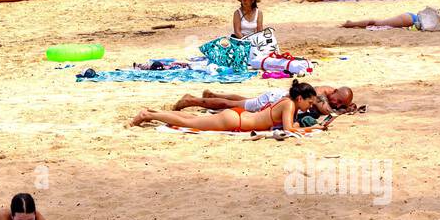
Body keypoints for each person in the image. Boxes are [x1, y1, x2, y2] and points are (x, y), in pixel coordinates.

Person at [126, 81, 321, 136]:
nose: (309, 107)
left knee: (193, 118)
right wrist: (314, 128)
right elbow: (289, 129)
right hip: (235, 121)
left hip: (238, 118)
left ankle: (152, 113)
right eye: (309, 102)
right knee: (189, 121)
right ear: (300, 98)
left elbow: (290, 124)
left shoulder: (288, 103)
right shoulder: (289, 104)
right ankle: (145, 115)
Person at [174, 84, 356, 116]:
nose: (336, 103)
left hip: (274, 97)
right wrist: (340, 111)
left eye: (340, 104)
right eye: (337, 100)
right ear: (335, 90)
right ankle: (190, 101)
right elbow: (324, 108)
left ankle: (212, 95)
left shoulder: (332, 97)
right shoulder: (323, 92)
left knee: (243, 101)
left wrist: (342, 108)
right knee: (229, 105)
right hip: (274, 100)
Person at [341, 11, 440, 30]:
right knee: (377, 23)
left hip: (409, 15)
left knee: (379, 22)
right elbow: (424, 26)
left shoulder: (438, 15)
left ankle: (352, 23)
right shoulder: (438, 21)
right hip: (408, 19)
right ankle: (351, 24)